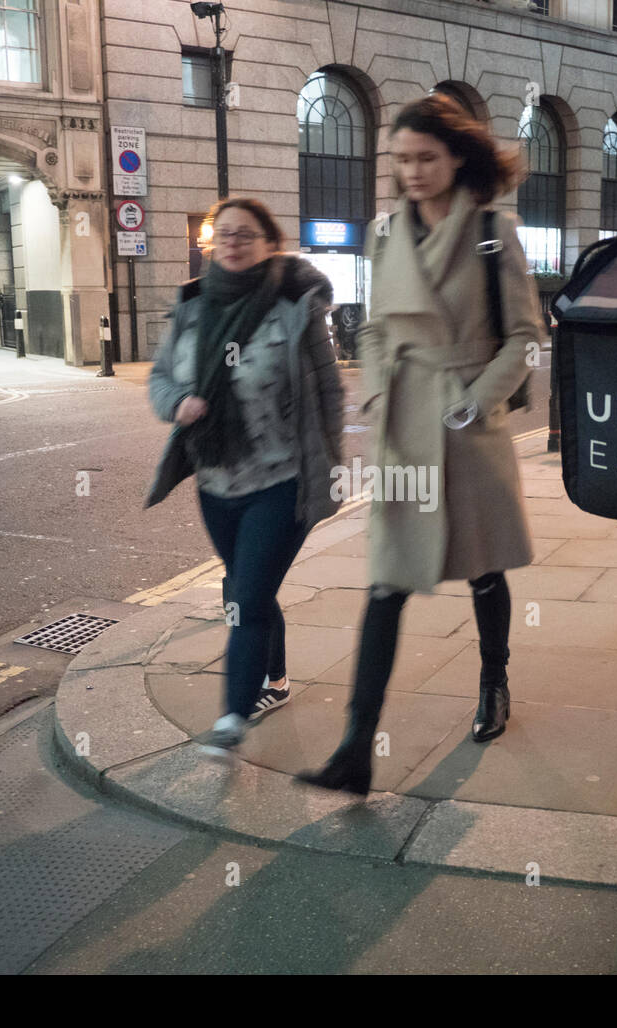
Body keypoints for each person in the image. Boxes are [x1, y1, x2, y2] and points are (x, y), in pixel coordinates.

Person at [296, 93, 543, 796]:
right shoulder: (383, 233)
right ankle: (353, 745)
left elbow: (527, 338)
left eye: (425, 157)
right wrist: (376, 389)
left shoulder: (495, 230)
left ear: (456, 156)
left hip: (468, 427)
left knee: (484, 568)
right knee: (386, 581)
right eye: (401, 159)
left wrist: (474, 402)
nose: (411, 171)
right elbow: (372, 328)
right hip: (406, 424)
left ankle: (493, 680)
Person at [145, 197, 344, 753]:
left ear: (269, 243)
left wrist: (330, 464)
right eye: (223, 234)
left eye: (246, 234)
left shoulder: (294, 306)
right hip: (216, 482)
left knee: (249, 595)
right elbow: (160, 378)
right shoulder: (191, 305)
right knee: (245, 585)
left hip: (281, 481)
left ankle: (233, 714)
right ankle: (276, 679)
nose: (232, 242)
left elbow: (328, 392)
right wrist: (178, 402)